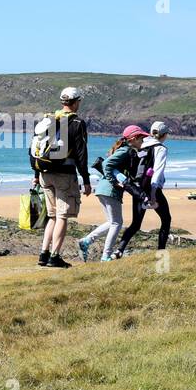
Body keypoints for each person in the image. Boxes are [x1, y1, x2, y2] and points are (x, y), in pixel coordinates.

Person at [30, 86, 91, 268]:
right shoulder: (77, 123)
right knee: (62, 216)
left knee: (52, 216)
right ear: (76, 102)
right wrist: (86, 180)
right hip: (64, 175)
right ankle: (55, 256)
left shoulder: (48, 120)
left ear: (62, 102)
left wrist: (36, 174)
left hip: (44, 173)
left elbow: (38, 149)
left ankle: (44, 253)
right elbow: (81, 154)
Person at [78, 125, 146, 263]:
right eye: (141, 139)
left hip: (103, 189)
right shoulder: (126, 150)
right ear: (133, 138)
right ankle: (105, 256)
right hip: (109, 189)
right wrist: (113, 181)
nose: (143, 142)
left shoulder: (124, 149)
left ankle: (86, 241)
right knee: (117, 223)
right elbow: (107, 164)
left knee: (112, 222)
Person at [114, 121, 173, 256]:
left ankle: (118, 251)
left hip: (137, 189)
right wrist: (153, 193)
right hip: (152, 189)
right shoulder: (160, 148)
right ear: (164, 135)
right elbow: (157, 171)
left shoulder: (142, 145)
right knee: (166, 220)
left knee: (136, 224)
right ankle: (161, 252)